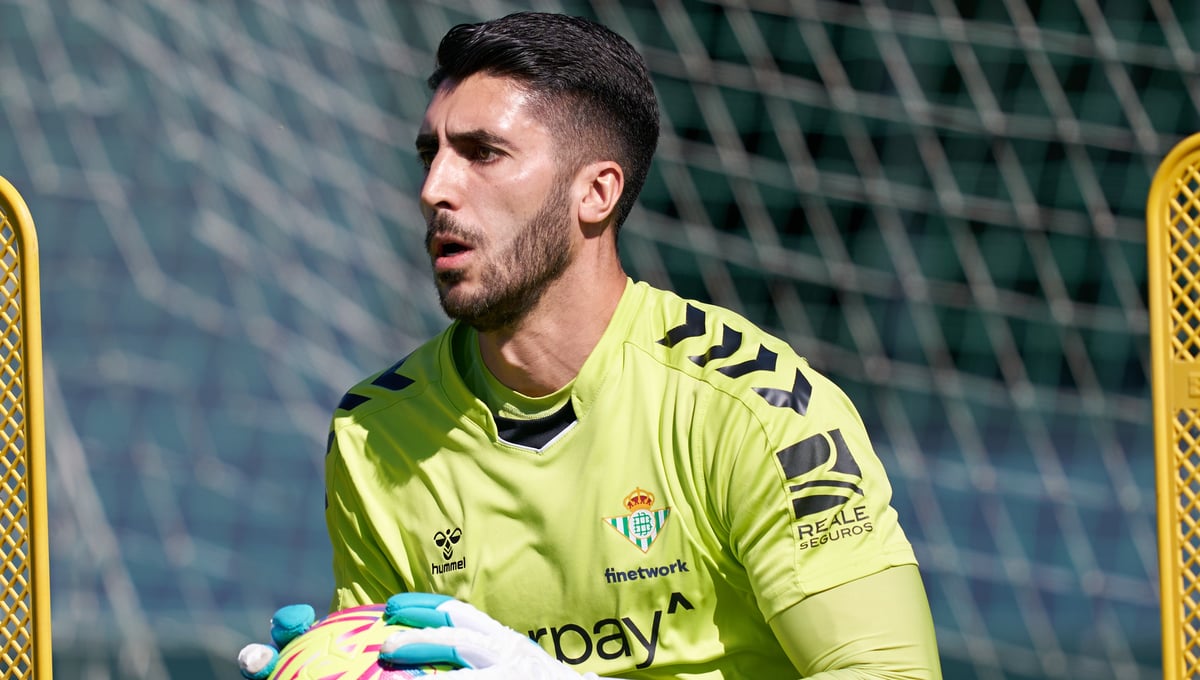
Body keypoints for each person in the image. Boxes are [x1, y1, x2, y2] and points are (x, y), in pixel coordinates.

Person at [322, 11, 941, 679]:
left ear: (596, 192)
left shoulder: (752, 407)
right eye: (429, 154)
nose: (434, 189)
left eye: (482, 153)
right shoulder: (375, 431)